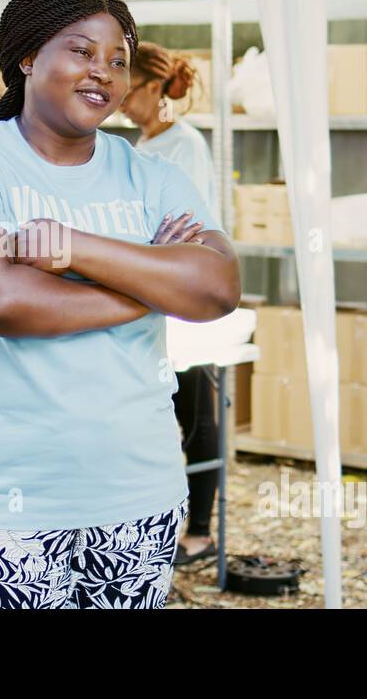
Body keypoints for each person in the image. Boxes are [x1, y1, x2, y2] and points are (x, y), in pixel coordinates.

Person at [0, 0, 242, 609]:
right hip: (6, 506)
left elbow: (217, 287)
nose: (104, 73)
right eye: (83, 52)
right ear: (28, 56)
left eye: (118, 60)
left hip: (138, 498)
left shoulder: (152, 175)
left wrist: (75, 250)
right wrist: (151, 278)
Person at [119, 40, 223, 565]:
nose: (118, 94)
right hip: (147, 299)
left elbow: (184, 231)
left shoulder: (184, 146)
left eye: (127, 82)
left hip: (183, 302)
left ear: (155, 89)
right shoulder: (138, 144)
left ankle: (200, 532)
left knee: (197, 415)